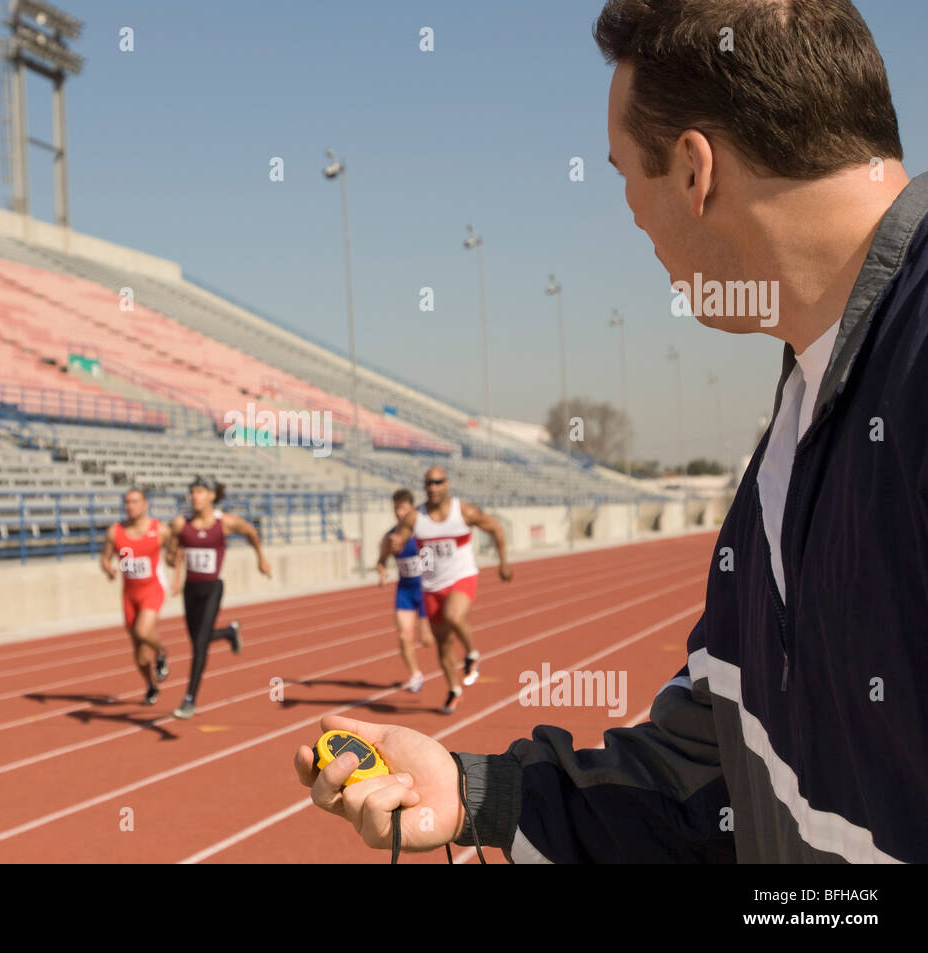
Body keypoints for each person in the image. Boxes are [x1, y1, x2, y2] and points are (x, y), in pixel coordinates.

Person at [296, 0, 927, 863]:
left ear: (695, 171)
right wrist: (480, 793)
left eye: (625, 172)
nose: (630, 213)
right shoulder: (800, 419)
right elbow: (716, 769)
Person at [387, 466, 513, 714]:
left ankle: (472, 653)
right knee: (442, 645)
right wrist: (393, 547)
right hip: (431, 586)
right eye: (428, 483)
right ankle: (454, 689)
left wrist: (503, 563)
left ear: (447, 485)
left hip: (461, 577)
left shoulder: (463, 511)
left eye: (437, 482)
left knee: (455, 615)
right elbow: (398, 537)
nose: (432, 487)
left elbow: (495, 527)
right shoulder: (416, 517)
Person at [167, 476, 271, 719]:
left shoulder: (224, 522)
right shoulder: (181, 524)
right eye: (192, 492)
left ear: (212, 496)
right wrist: (173, 567)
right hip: (190, 589)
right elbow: (174, 552)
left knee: (200, 645)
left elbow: (251, 532)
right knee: (196, 640)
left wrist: (261, 558)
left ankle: (189, 699)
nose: (195, 496)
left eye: (200, 491)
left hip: (213, 588)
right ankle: (229, 632)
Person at [101, 487, 173, 705]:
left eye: (134, 502)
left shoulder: (159, 529)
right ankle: (151, 685)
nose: (129, 506)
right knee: (140, 652)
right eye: (126, 502)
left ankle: (162, 652)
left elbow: (176, 551)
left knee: (143, 630)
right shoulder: (115, 531)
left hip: (152, 589)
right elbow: (105, 558)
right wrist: (109, 569)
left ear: (145, 505)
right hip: (129, 594)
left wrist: (176, 572)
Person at [375, 489, 435, 693]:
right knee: (403, 635)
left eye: (403, 508)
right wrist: (382, 571)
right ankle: (415, 674)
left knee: (428, 640)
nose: (399, 513)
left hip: (426, 590)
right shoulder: (390, 536)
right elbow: (381, 561)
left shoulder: (422, 533)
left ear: (412, 509)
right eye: (396, 509)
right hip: (405, 591)